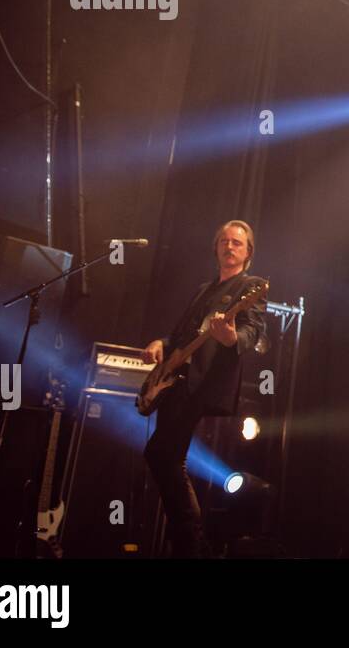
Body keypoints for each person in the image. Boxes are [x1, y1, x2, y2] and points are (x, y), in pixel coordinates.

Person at [141, 220, 267, 557]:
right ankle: (186, 539)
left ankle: (193, 543)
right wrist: (161, 343)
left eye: (237, 243)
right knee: (162, 455)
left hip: (202, 384)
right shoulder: (203, 289)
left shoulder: (250, 287)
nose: (229, 246)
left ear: (248, 251)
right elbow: (179, 334)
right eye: (224, 241)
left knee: (163, 454)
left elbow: (251, 332)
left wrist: (230, 337)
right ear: (216, 247)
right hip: (176, 380)